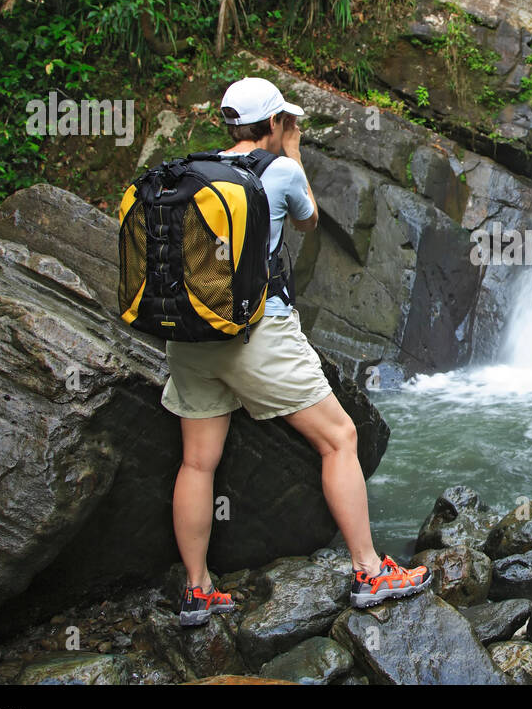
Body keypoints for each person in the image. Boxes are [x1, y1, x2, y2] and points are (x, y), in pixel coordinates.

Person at [160, 77, 428, 626]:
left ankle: (197, 590)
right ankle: (370, 571)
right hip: (256, 334)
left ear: (231, 123)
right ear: (276, 124)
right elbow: (307, 221)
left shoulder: (191, 172)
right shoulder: (279, 171)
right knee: (340, 438)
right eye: (288, 122)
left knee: (196, 461)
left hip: (189, 334)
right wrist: (295, 154)